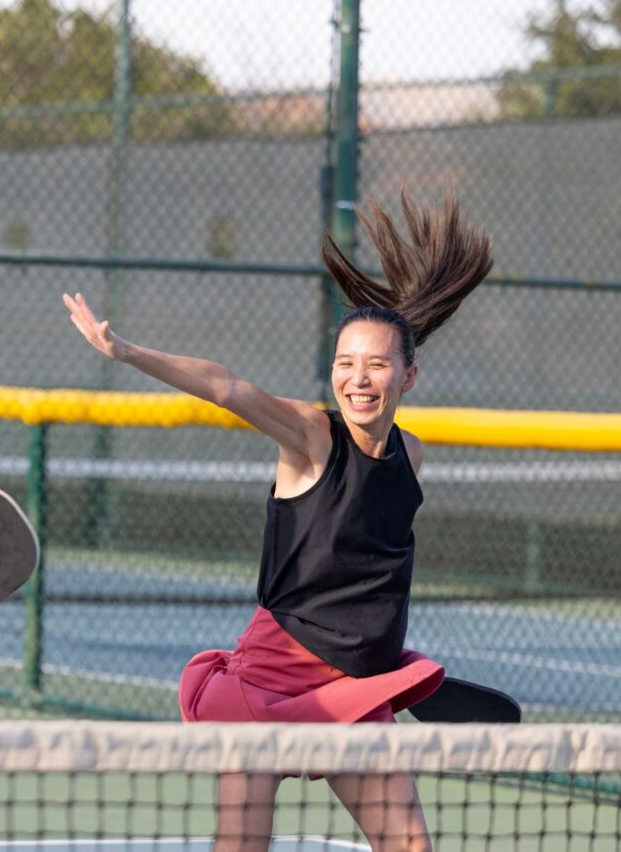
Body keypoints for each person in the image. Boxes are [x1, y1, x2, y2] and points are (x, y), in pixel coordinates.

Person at [63, 193, 494, 852]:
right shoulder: (312, 438)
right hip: (266, 684)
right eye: (344, 363)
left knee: (411, 847)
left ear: (408, 375)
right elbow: (226, 386)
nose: (357, 377)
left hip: (353, 689)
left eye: (376, 363)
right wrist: (122, 350)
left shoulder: (412, 454)